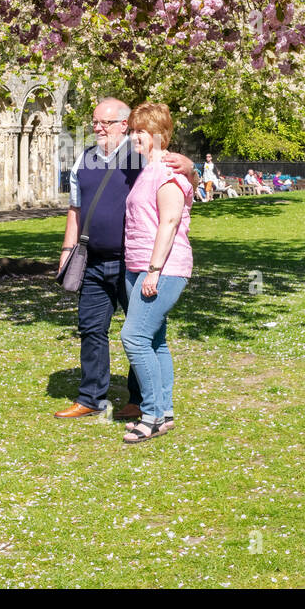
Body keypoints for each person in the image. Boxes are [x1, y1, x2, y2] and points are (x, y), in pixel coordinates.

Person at [55, 98, 193, 421]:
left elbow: (178, 179)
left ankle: (140, 400)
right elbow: (74, 210)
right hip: (92, 259)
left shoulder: (141, 158)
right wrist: (66, 251)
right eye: (94, 122)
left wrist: (190, 166)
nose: (98, 128)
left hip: (131, 262)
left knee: (141, 330)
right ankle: (90, 397)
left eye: (105, 123)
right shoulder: (83, 160)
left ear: (122, 126)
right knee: (91, 328)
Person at [119, 102, 194, 443]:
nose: (136, 137)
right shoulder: (146, 171)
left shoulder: (168, 174)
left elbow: (170, 222)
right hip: (138, 267)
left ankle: (150, 413)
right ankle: (164, 413)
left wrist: (153, 271)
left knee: (133, 337)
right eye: (133, 130)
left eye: (142, 132)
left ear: (160, 136)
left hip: (162, 269)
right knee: (155, 341)